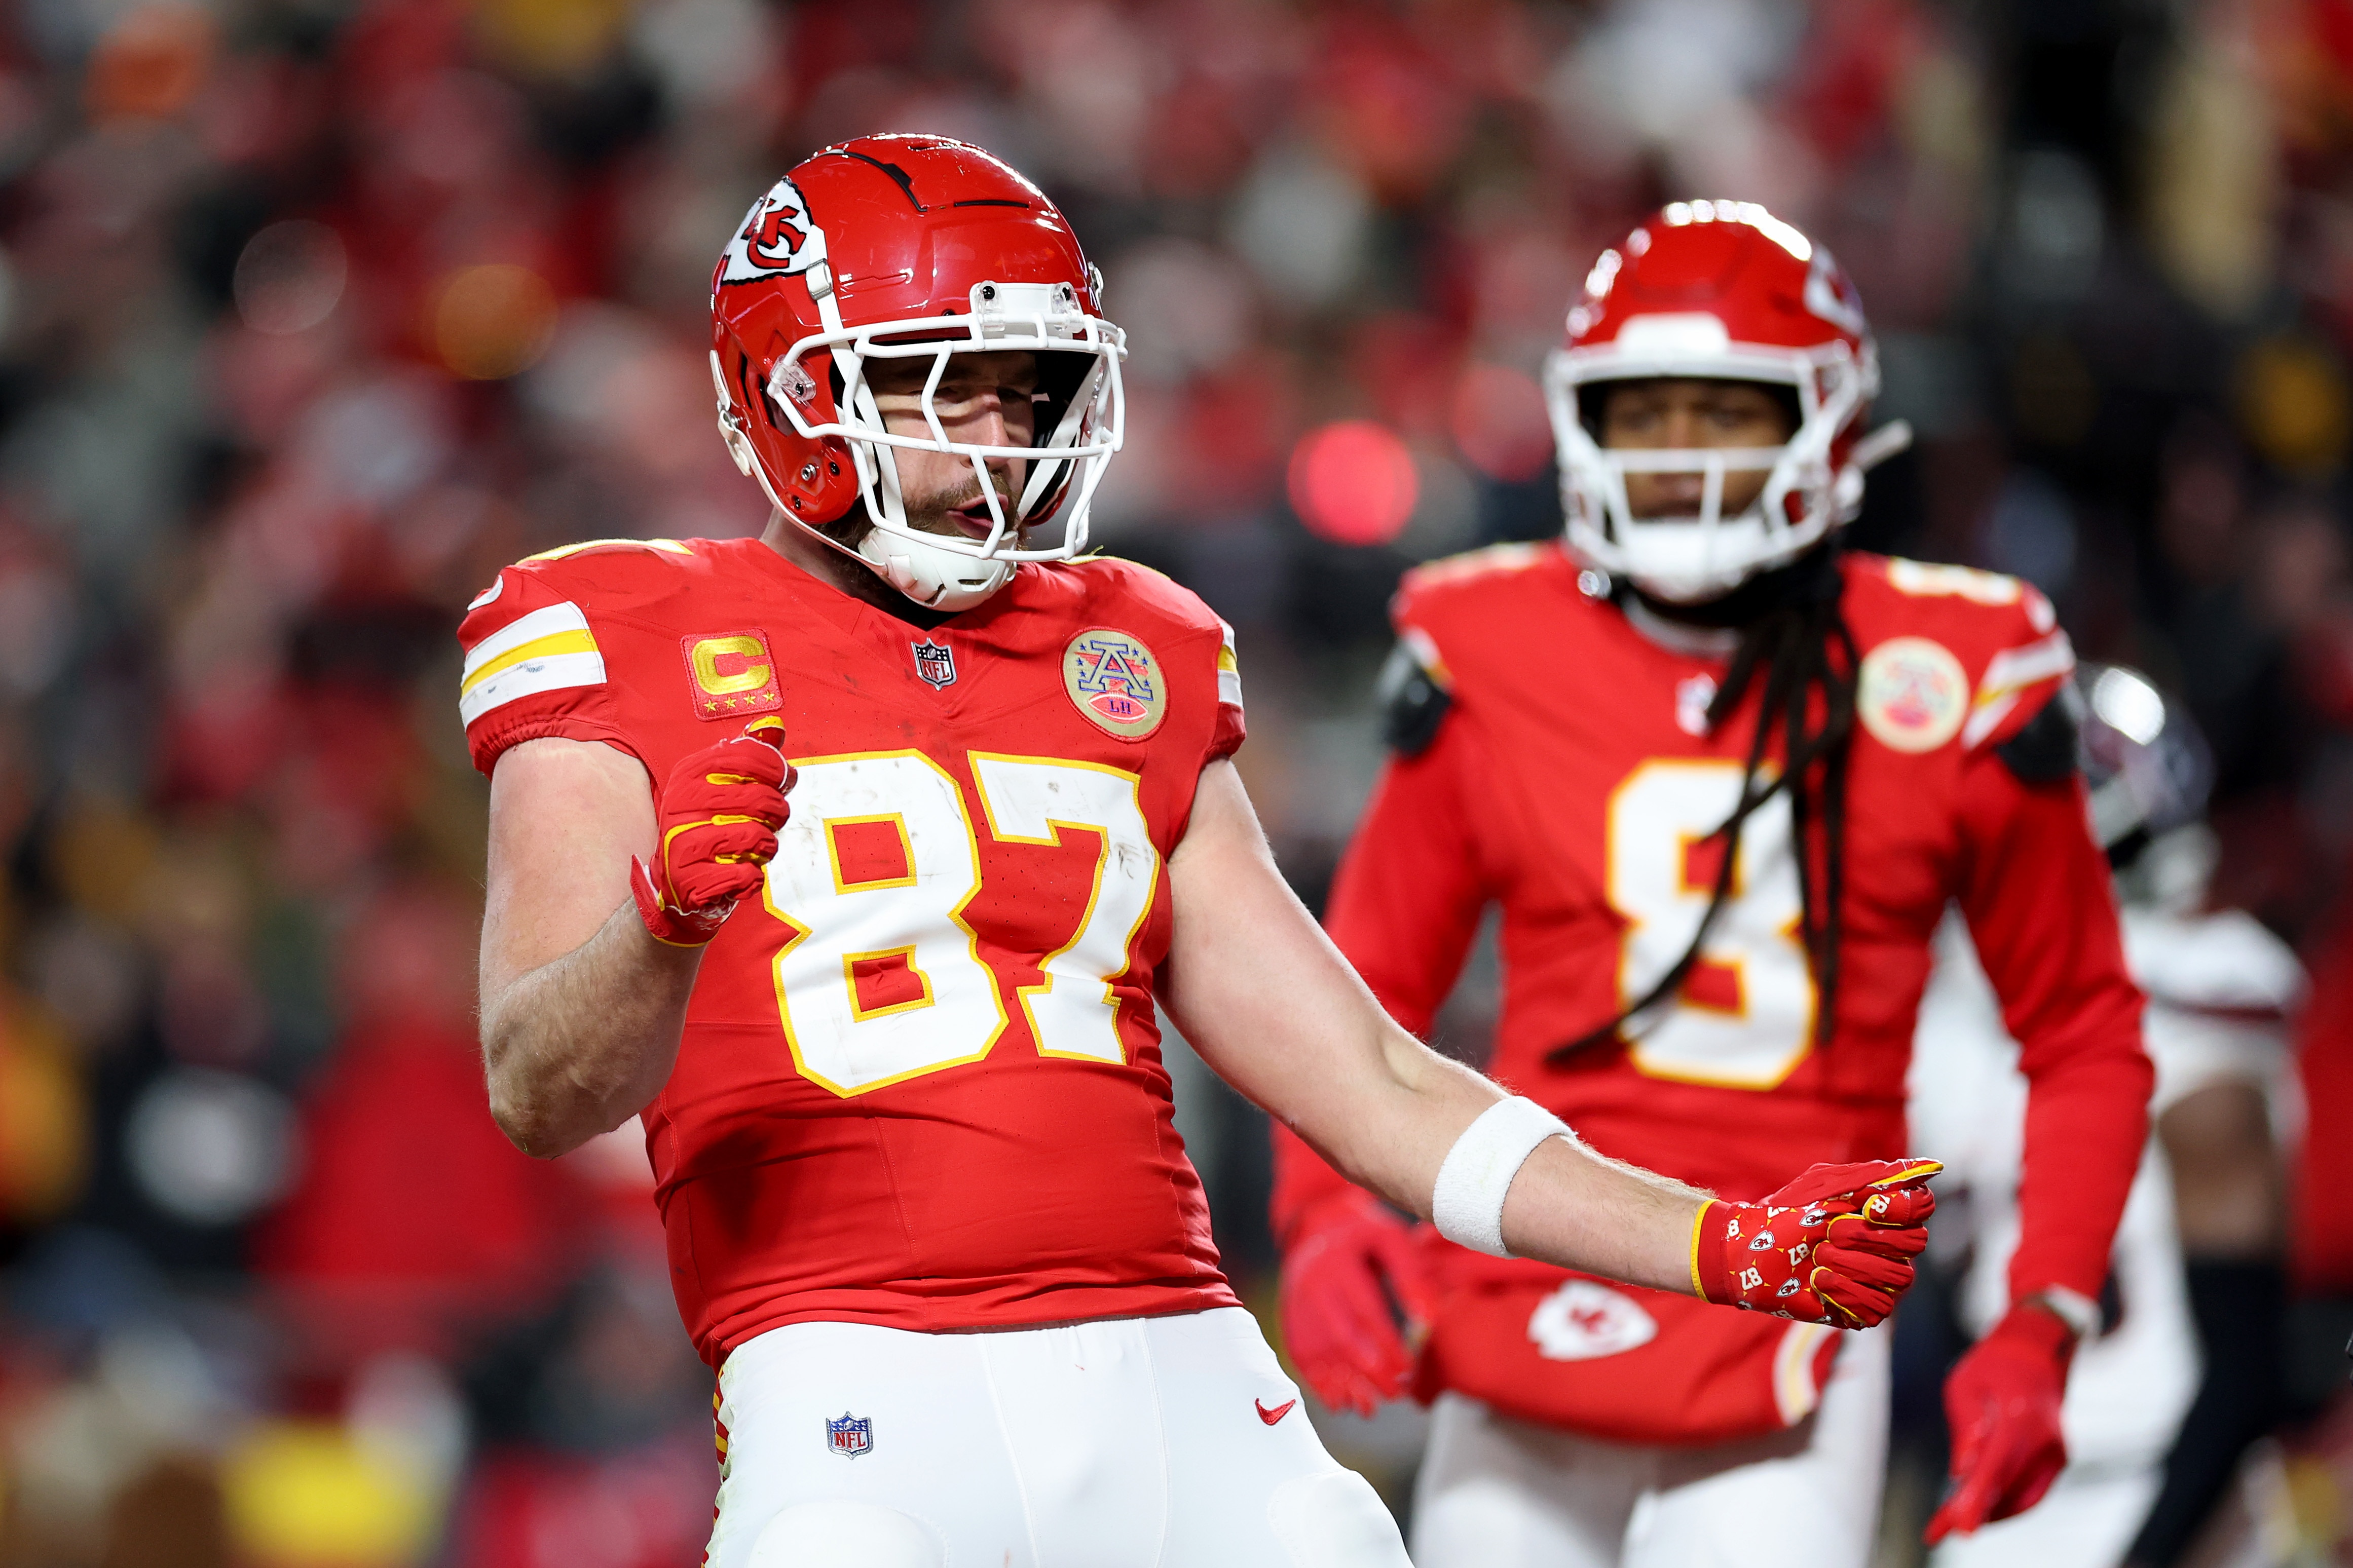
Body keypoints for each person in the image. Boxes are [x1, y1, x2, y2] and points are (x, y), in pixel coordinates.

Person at [457, 142, 1937, 1568]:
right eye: (938, 388)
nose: (995, 440)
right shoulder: (617, 629)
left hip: (1189, 1372)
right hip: (856, 1385)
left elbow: (1368, 1080)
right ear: (785, 388)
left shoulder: (1133, 644)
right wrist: (658, 923)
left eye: (1022, 391)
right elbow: (539, 1089)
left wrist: (1713, 1242)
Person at [1269, 200, 2153, 1568]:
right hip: (1532, 1255)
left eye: (1723, 411)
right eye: (1643, 410)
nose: (1677, 456)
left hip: (1800, 1297)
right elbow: (1349, 990)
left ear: (1834, 422)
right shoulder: (1485, 640)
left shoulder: (1952, 665)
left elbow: (2081, 1031)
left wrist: (2043, 1315)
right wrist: (1322, 1218)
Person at [1912, 664, 2303, 1568]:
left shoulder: (2198, 996)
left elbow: (2246, 1371)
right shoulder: (1945, 1019)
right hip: (2002, 1497)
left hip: (2166, 1493)